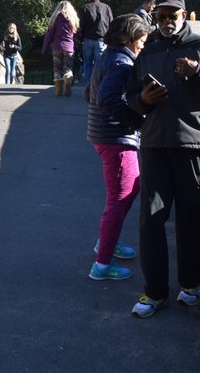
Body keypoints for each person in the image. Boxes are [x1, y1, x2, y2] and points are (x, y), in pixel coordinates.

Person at [125, 0, 200, 317]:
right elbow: (131, 98)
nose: (165, 22)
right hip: (155, 145)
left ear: (184, 16)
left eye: (171, 16)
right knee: (151, 220)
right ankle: (154, 292)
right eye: (161, 17)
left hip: (196, 146)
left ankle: (192, 283)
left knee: (190, 218)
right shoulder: (147, 52)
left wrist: (198, 72)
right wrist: (144, 99)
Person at [84, 14, 150, 281]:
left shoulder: (108, 56)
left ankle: (107, 243)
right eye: (142, 41)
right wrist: (136, 122)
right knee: (119, 199)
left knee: (126, 193)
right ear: (128, 38)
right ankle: (102, 265)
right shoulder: (122, 62)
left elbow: (89, 92)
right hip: (116, 139)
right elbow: (106, 97)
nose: (143, 47)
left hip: (103, 135)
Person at [42, 0, 79, 97]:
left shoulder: (55, 18)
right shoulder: (73, 18)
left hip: (57, 46)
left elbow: (49, 34)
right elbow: (78, 34)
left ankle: (58, 89)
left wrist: (44, 48)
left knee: (57, 68)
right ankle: (67, 79)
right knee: (68, 68)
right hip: (69, 47)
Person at [77, 0, 113, 83]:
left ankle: (89, 85)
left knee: (87, 64)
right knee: (100, 65)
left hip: (88, 40)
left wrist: (80, 39)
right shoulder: (106, 8)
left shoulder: (84, 8)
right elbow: (111, 24)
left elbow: (81, 26)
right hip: (102, 40)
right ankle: (97, 85)